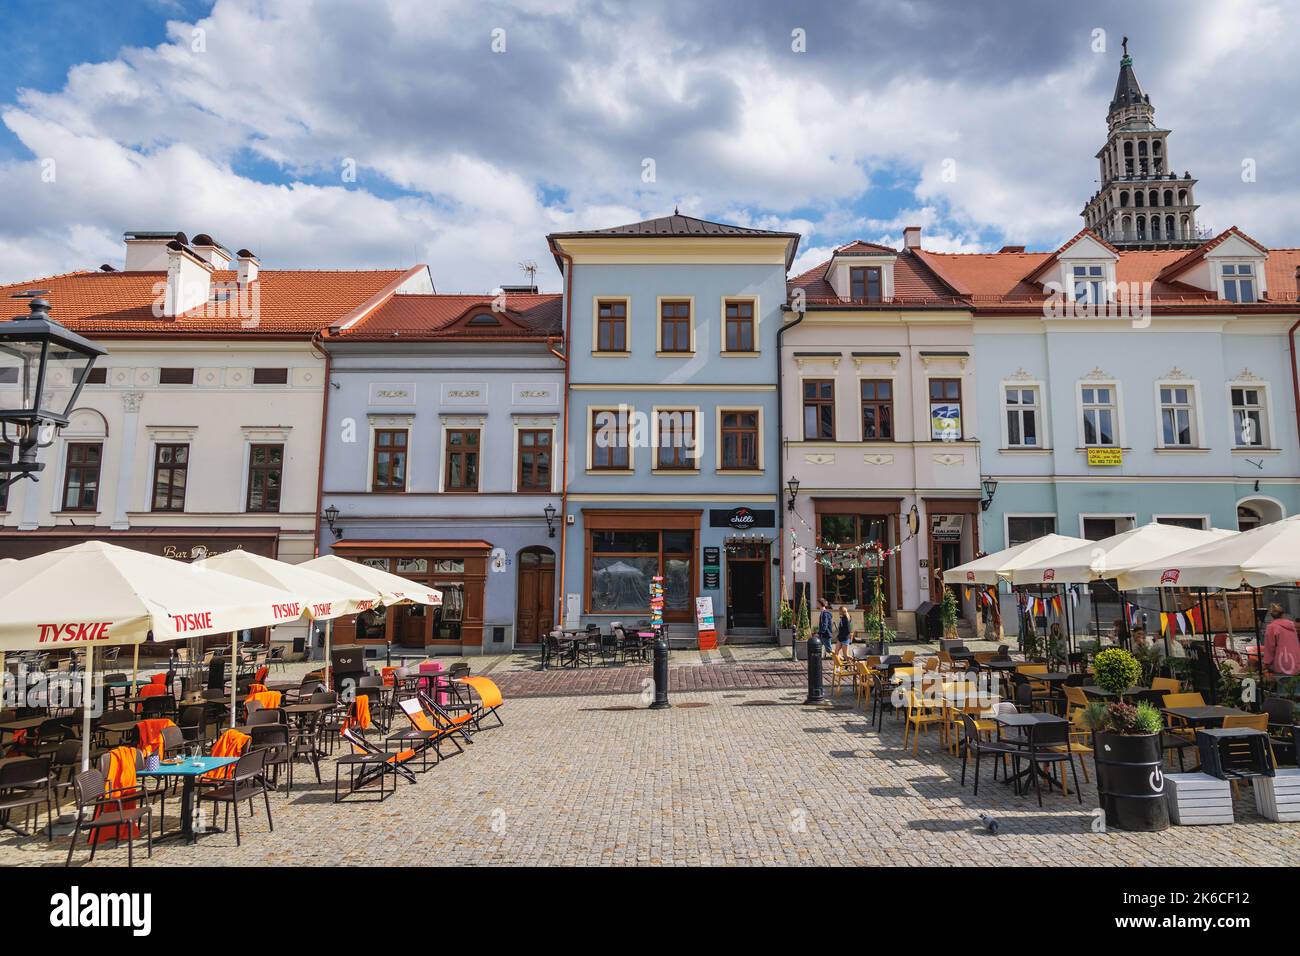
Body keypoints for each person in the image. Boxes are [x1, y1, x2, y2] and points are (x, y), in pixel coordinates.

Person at [1263, 604, 1300, 676]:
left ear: (1271, 615)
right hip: (1296, 660)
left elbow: (1269, 647)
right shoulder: (1292, 626)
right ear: (1283, 614)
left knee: (1283, 684)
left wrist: (1266, 663)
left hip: (1282, 662)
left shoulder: (1271, 627)